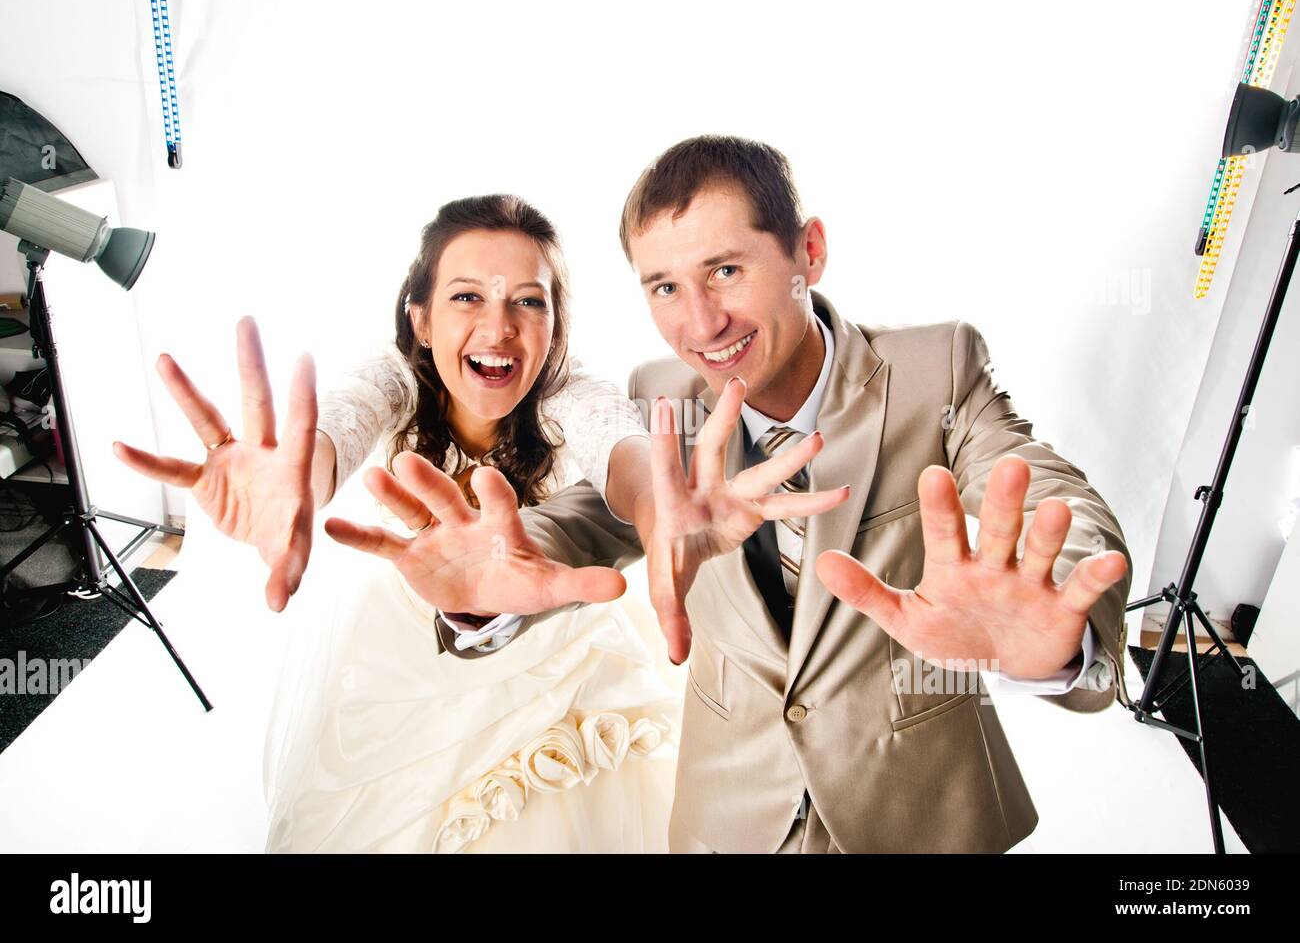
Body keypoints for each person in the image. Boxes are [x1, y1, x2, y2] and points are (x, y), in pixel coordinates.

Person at [336, 136, 1134, 854]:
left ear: (808, 252)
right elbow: (598, 517)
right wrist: (502, 569)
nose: (703, 323)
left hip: (922, 812)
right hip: (732, 819)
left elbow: (1050, 495)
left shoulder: (936, 371)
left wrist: (1059, 615)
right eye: (664, 288)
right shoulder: (659, 396)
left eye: (725, 270)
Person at [113, 193, 839, 852]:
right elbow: (340, 423)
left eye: (529, 301)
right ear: (421, 319)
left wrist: (658, 503)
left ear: (555, 324)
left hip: (564, 644)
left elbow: (619, 445)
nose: (500, 327)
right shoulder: (393, 379)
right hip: (414, 638)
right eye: (467, 296)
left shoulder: (569, 387)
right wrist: (297, 483)